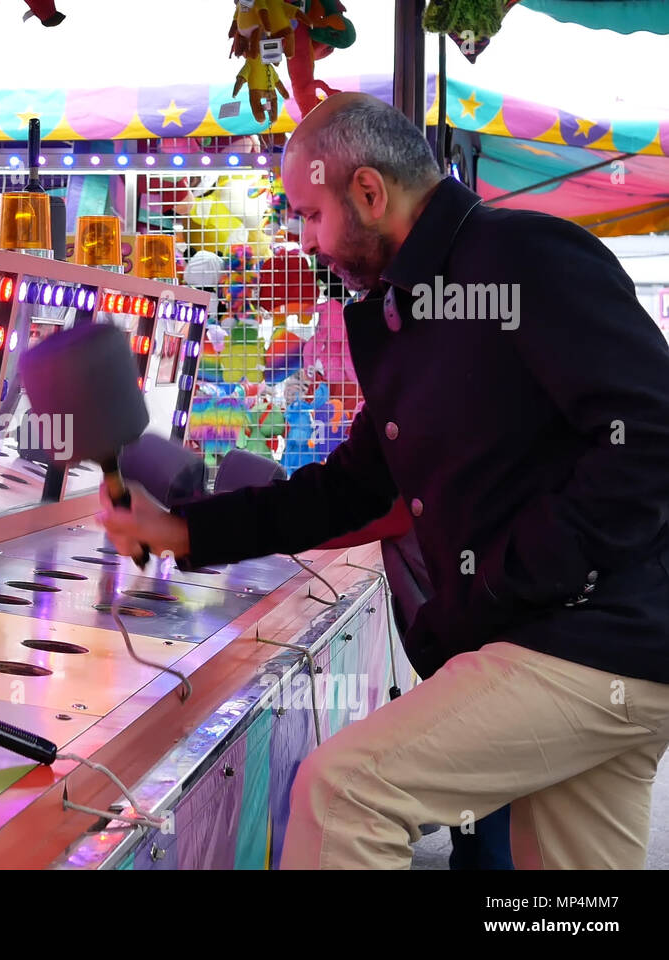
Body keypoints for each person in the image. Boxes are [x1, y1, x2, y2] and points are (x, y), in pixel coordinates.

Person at [99, 92, 669, 869]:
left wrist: (511, 581)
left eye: (308, 214)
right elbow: (352, 485)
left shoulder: (526, 256)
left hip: (592, 636)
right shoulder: (410, 308)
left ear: (368, 190)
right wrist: (186, 532)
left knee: (346, 793)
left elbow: (649, 436)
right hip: (590, 643)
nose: (303, 241)